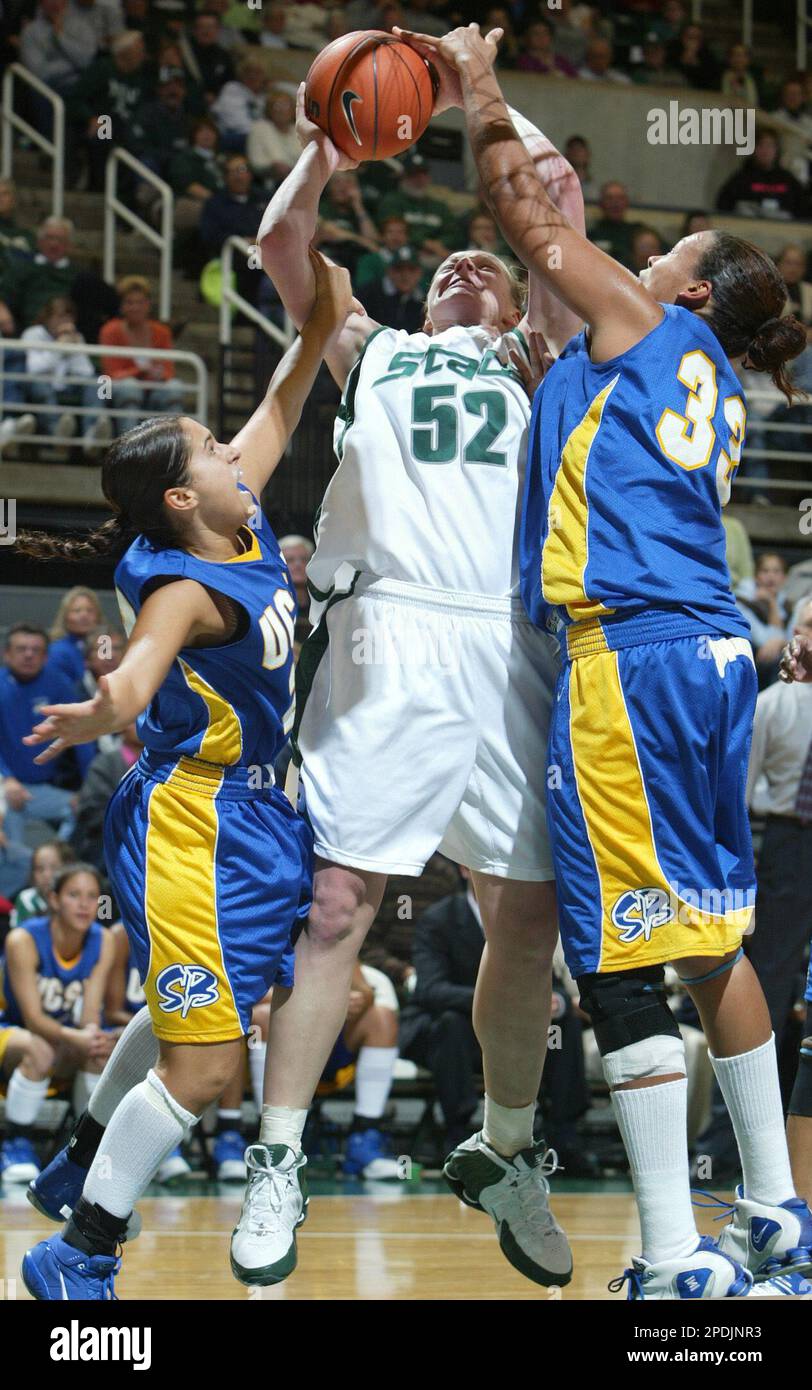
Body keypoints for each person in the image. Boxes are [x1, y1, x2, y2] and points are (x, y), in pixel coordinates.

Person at [405, 19, 812, 1301]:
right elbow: (585, 417)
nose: (640, 259)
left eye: (663, 253)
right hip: (708, 658)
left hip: (626, 663)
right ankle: (774, 1214)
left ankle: (672, 1255)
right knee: (711, 946)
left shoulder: (642, 322)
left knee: (625, 959)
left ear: (684, 292)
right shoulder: (687, 376)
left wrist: (476, 83)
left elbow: (524, 215)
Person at [248, 64, 586, 1292]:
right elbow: (284, 237)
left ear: (509, 295)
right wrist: (329, 142)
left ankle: (504, 1148)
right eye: (444, 265)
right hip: (386, 634)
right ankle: (277, 1159)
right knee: (339, 903)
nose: (465, 268)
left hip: (503, 640)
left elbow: (550, 195)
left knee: (527, 915)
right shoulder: (373, 349)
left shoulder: (539, 350)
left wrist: (472, 93)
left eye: (484, 265)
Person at [17, 250, 354, 1301]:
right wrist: (102, 707)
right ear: (179, 493)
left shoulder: (234, 513)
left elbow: (284, 395)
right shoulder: (183, 589)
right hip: (193, 818)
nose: (232, 453)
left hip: (254, 815)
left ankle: (79, 1155)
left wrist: (318, 320)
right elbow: (138, 677)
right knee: (210, 1068)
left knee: (186, 1023)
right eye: (213, 450)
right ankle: (79, 1248)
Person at [0, 864, 115, 1183]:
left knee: (100, 1048)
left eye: (92, 897)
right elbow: (33, 1019)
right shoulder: (23, 939)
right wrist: (75, 1037)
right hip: (13, 1031)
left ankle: (83, 1149)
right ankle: (16, 1143)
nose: (84, 904)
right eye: (74, 895)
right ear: (53, 899)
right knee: (39, 1048)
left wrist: (91, 1036)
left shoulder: (103, 939)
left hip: (59, 1039)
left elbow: (91, 1013)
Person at [0, 623, 94, 847]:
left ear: (45, 657)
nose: (28, 655)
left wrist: (88, 787)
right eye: (21, 649)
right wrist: (6, 779)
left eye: (36, 650)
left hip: (44, 787)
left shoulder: (60, 685)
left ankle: (54, 865)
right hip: (5, 785)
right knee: (12, 851)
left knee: (83, 807)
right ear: (6, 654)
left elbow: (82, 738)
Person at [21, 297, 112, 455]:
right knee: (39, 384)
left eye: (68, 317)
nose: (64, 321)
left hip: (69, 386)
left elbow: (87, 372)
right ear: (48, 318)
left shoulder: (76, 337)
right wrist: (59, 347)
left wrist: (75, 348)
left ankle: (92, 434)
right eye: (59, 316)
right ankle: (57, 433)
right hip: (42, 385)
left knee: (101, 382)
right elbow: (34, 369)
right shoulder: (33, 334)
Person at [99, 277, 187, 437]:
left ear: (148, 305)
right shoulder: (110, 330)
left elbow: (168, 370)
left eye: (140, 302)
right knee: (129, 388)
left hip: (154, 388)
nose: (135, 307)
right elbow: (110, 374)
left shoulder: (162, 332)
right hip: (116, 390)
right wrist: (139, 371)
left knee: (174, 387)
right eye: (129, 302)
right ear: (122, 306)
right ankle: (127, 449)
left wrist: (159, 375)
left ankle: (175, 447)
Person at [716, 130, 806, 221]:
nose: (765, 151)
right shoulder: (741, 179)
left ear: (776, 149)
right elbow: (723, 207)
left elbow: (802, 209)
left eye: (769, 146)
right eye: (760, 145)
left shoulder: (789, 180)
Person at [10, 839, 74, 928]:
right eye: (40, 869)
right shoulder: (27, 899)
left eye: (54, 867)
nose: (47, 875)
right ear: (32, 874)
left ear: (69, 868)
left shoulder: (78, 898)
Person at [48, 587, 105, 685]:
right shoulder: (57, 651)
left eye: (90, 610)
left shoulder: (106, 644)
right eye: (77, 611)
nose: (84, 615)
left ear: (98, 617)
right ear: (65, 617)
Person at [247, 92, 300, 188]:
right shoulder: (260, 128)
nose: (281, 110)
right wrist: (273, 167)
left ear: (293, 110)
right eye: (276, 105)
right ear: (269, 110)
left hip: (301, 179)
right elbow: (256, 162)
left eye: (286, 105)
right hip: (271, 183)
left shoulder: (298, 130)